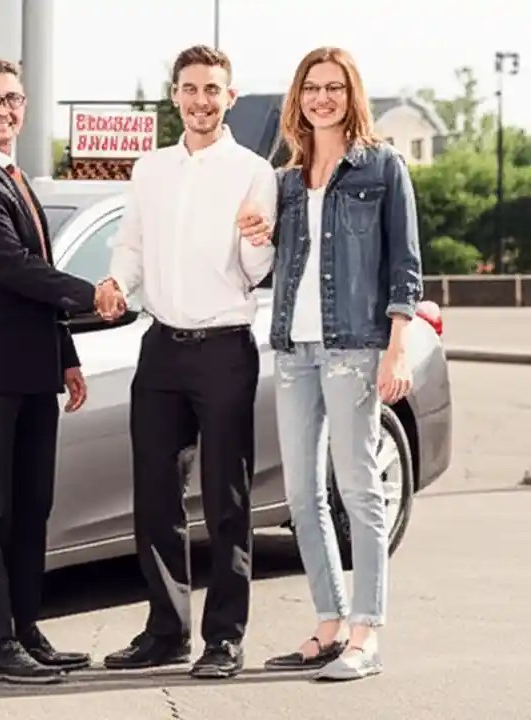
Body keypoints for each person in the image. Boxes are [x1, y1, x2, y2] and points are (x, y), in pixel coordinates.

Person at [238, 47, 423, 681]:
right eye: (312, 88)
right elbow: (275, 268)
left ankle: (367, 634)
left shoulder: (383, 168)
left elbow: (405, 267)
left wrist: (395, 349)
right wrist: (259, 236)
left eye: (334, 88)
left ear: (351, 96)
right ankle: (329, 622)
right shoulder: (286, 179)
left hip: (354, 347)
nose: (322, 98)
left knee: (359, 490)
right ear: (298, 98)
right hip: (293, 349)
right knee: (299, 493)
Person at [0, 57, 119, 685]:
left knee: (30, 508)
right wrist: (92, 294)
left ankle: (25, 630)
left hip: (33, 372)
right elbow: (13, 267)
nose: (1, 110)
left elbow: (30, 275)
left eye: (11, 99)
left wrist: (65, 357)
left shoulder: (13, 176)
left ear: (25, 105)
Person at [95, 45, 277, 679]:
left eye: (213, 90)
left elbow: (256, 273)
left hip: (225, 348)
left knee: (227, 500)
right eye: (191, 88)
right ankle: (165, 631)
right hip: (160, 348)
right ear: (174, 95)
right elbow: (131, 245)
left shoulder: (256, 171)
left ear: (230, 97)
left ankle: (224, 638)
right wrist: (117, 282)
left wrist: (259, 244)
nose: (201, 100)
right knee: (155, 497)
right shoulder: (149, 170)